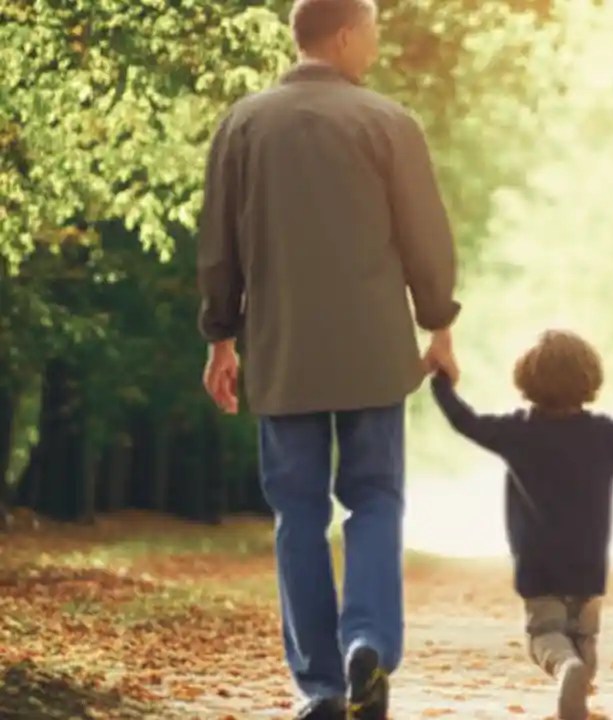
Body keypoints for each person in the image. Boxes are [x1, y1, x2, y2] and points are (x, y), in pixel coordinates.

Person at [196, 1, 461, 717]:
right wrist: (438, 325)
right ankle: (366, 642)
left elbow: (219, 244)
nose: (375, 45)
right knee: (375, 498)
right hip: (374, 352)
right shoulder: (388, 123)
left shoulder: (243, 125)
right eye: (371, 32)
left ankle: (320, 686)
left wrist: (221, 339)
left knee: (298, 512)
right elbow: (425, 236)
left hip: (283, 351)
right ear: (345, 36)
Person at [430, 329, 613, 720]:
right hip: (588, 567)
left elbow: (464, 420)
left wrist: (441, 382)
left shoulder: (516, 432)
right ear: (588, 380)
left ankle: (566, 670)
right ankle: (577, 693)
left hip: (538, 568)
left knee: (545, 636)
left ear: (527, 379)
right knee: (583, 636)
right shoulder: (604, 435)